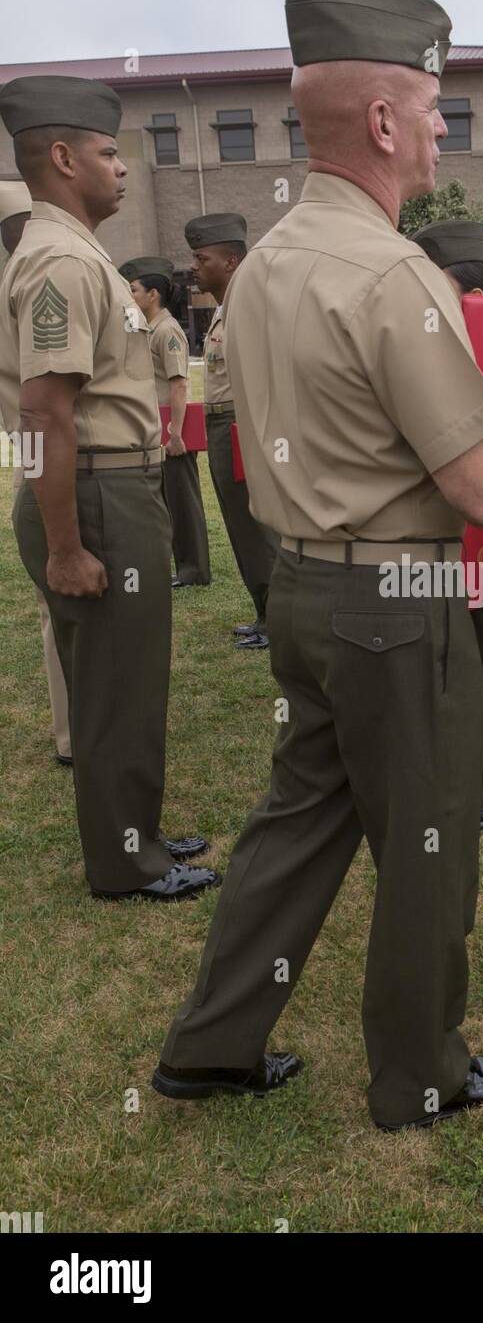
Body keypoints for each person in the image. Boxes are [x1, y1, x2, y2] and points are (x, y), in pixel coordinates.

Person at [153, 0, 483, 1130]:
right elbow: (476, 484)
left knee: (298, 823)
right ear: (379, 121)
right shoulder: (391, 270)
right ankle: (420, 1072)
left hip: (308, 586)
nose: (438, 129)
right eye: (431, 107)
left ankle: (212, 1043)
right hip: (396, 595)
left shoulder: (259, 264)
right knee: (424, 843)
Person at [0, 75, 218, 901]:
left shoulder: (77, 249)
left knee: (128, 680)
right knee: (115, 690)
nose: (123, 168)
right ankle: (127, 862)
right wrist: (64, 547)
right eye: (106, 153)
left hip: (112, 487)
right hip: (93, 492)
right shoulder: (59, 258)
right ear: (61, 158)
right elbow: (46, 410)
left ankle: (141, 833)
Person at [412, 219, 483, 832]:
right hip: (435, 529)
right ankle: (455, 767)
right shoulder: (441, 338)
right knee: (441, 655)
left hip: (482, 531)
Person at [1, 178, 71, 766]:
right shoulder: (38, 275)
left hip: (31, 457)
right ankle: (77, 737)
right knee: (69, 613)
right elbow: (43, 410)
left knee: (61, 614)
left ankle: (74, 734)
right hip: (49, 460)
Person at [184, 214, 278, 648]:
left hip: (241, 425)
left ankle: (277, 619)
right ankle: (265, 612)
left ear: (231, 260)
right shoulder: (227, 308)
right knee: (241, 526)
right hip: (223, 422)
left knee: (256, 525)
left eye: (202, 258)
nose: (194, 267)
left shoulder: (248, 304)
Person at [118, 255, 211, 587]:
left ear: (152, 294)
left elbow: (179, 384)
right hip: (159, 428)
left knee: (183, 503)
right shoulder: (149, 327)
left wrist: (175, 434)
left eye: (134, 290)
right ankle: (185, 567)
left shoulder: (167, 330)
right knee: (169, 501)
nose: (130, 297)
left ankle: (194, 571)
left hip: (174, 431)